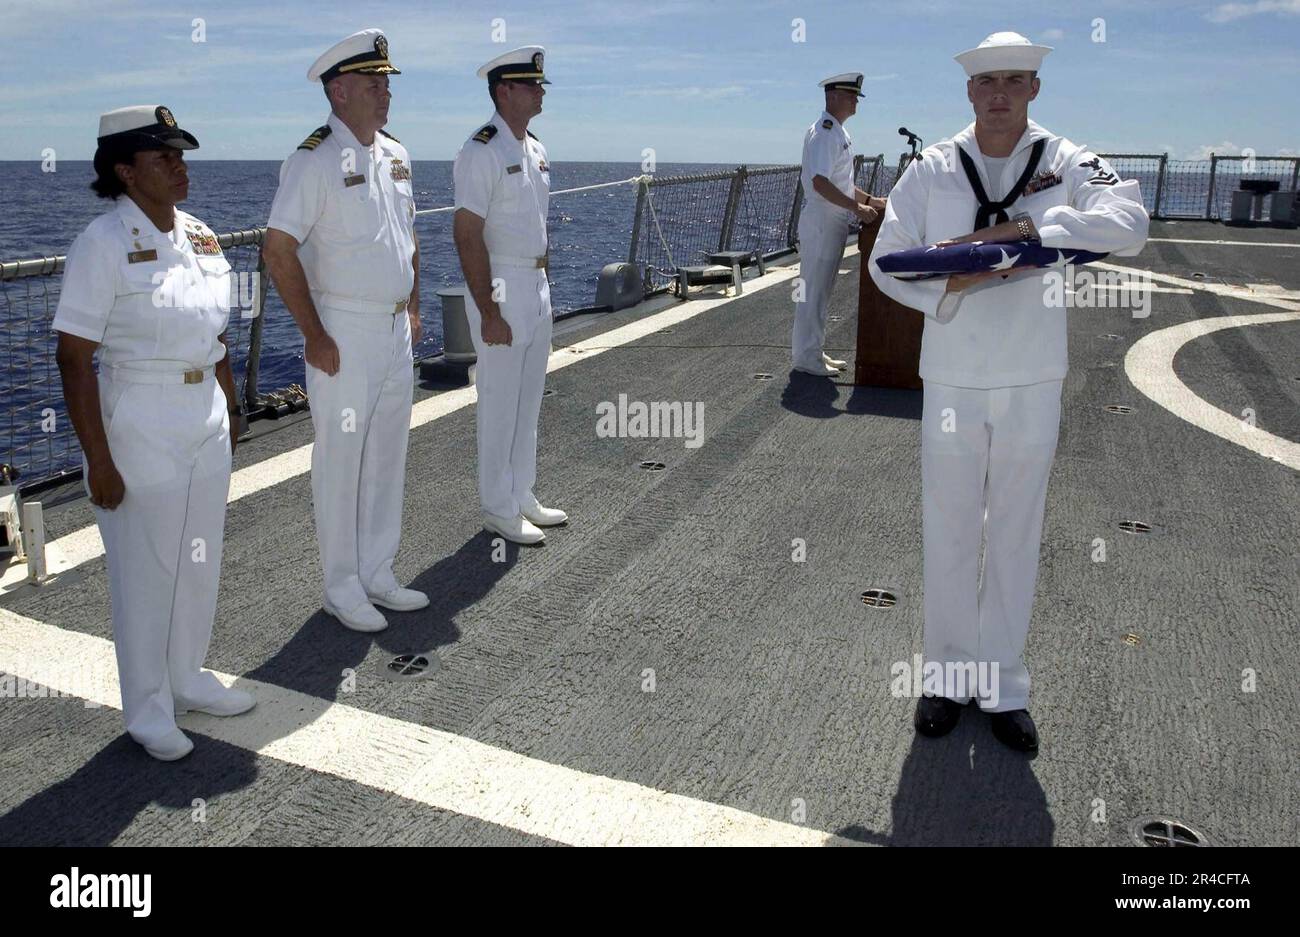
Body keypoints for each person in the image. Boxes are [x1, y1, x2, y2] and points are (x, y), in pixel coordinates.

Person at [868, 32, 1149, 752]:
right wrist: (956, 283)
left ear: (1034, 89)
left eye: (1014, 81)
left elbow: (1129, 222)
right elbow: (886, 260)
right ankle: (945, 677)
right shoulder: (933, 166)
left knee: (1017, 529)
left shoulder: (1067, 160)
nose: (999, 94)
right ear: (969, 91)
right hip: (955, 369)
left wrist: (1031, 233)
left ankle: (1002, 685)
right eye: (987, 81)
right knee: (950, 525)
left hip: (1031, 369)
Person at [53, 105, 254, 762]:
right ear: (123, 170)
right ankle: (147, 709)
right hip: (141, 419)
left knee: (199, 561)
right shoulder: (103, 244)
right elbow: (74, 357)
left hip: (204, 419)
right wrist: (98, 459)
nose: (178, 165)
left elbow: (215, 333)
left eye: (180, 153)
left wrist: (229, 401)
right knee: (147, 574)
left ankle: (188, 677)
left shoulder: (200, 236)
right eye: (162, 156)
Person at [263, 28, 426, 632]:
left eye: (387, 83)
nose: (386, 93)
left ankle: (378, 571)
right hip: (343, 331)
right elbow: (278, 251)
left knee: (388, 453)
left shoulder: (396, 155)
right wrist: (314, 334)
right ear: (338, 91)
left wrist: (411, 307)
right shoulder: (313, 160)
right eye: (373, 83)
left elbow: (409, 243)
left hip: (392, 330)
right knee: (341, 459)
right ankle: (341, 584)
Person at [452, 45, 567, 546]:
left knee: (528, 401)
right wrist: (488, 311)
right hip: (502, 285)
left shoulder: (535, 149)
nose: (540, 92)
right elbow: (466, 233)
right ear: (504, 91)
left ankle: (523, 494)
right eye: (532, 84)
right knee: (499, 404)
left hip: (537, 285)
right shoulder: (482, 150)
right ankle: (497, 507)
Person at [793, 72, 886, 377]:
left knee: (822, 290)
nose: (855, 101)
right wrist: (856, 208)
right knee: (814, 290)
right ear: (832, 97)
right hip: (822, 219)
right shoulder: (825, 132)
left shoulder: (838, 133)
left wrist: (870, 200)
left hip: (832, 219)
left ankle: (814, 351)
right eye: (850, 96)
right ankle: (806, 357)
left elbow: (841, 183)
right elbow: (820, 183)